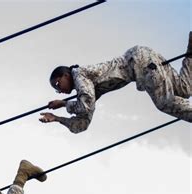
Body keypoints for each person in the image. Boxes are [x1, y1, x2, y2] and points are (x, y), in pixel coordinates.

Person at [39, 32, 192, 133]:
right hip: (143, 58)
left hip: (139, 63)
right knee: (183, 89)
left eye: (58, 84)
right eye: (56, 90)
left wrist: (65, 104)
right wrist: (58, 119)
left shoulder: (78, 74)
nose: (60, 91)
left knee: (164, 102)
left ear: (66, 75)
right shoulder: (86, 88)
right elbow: (82, 124)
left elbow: (86, 104)